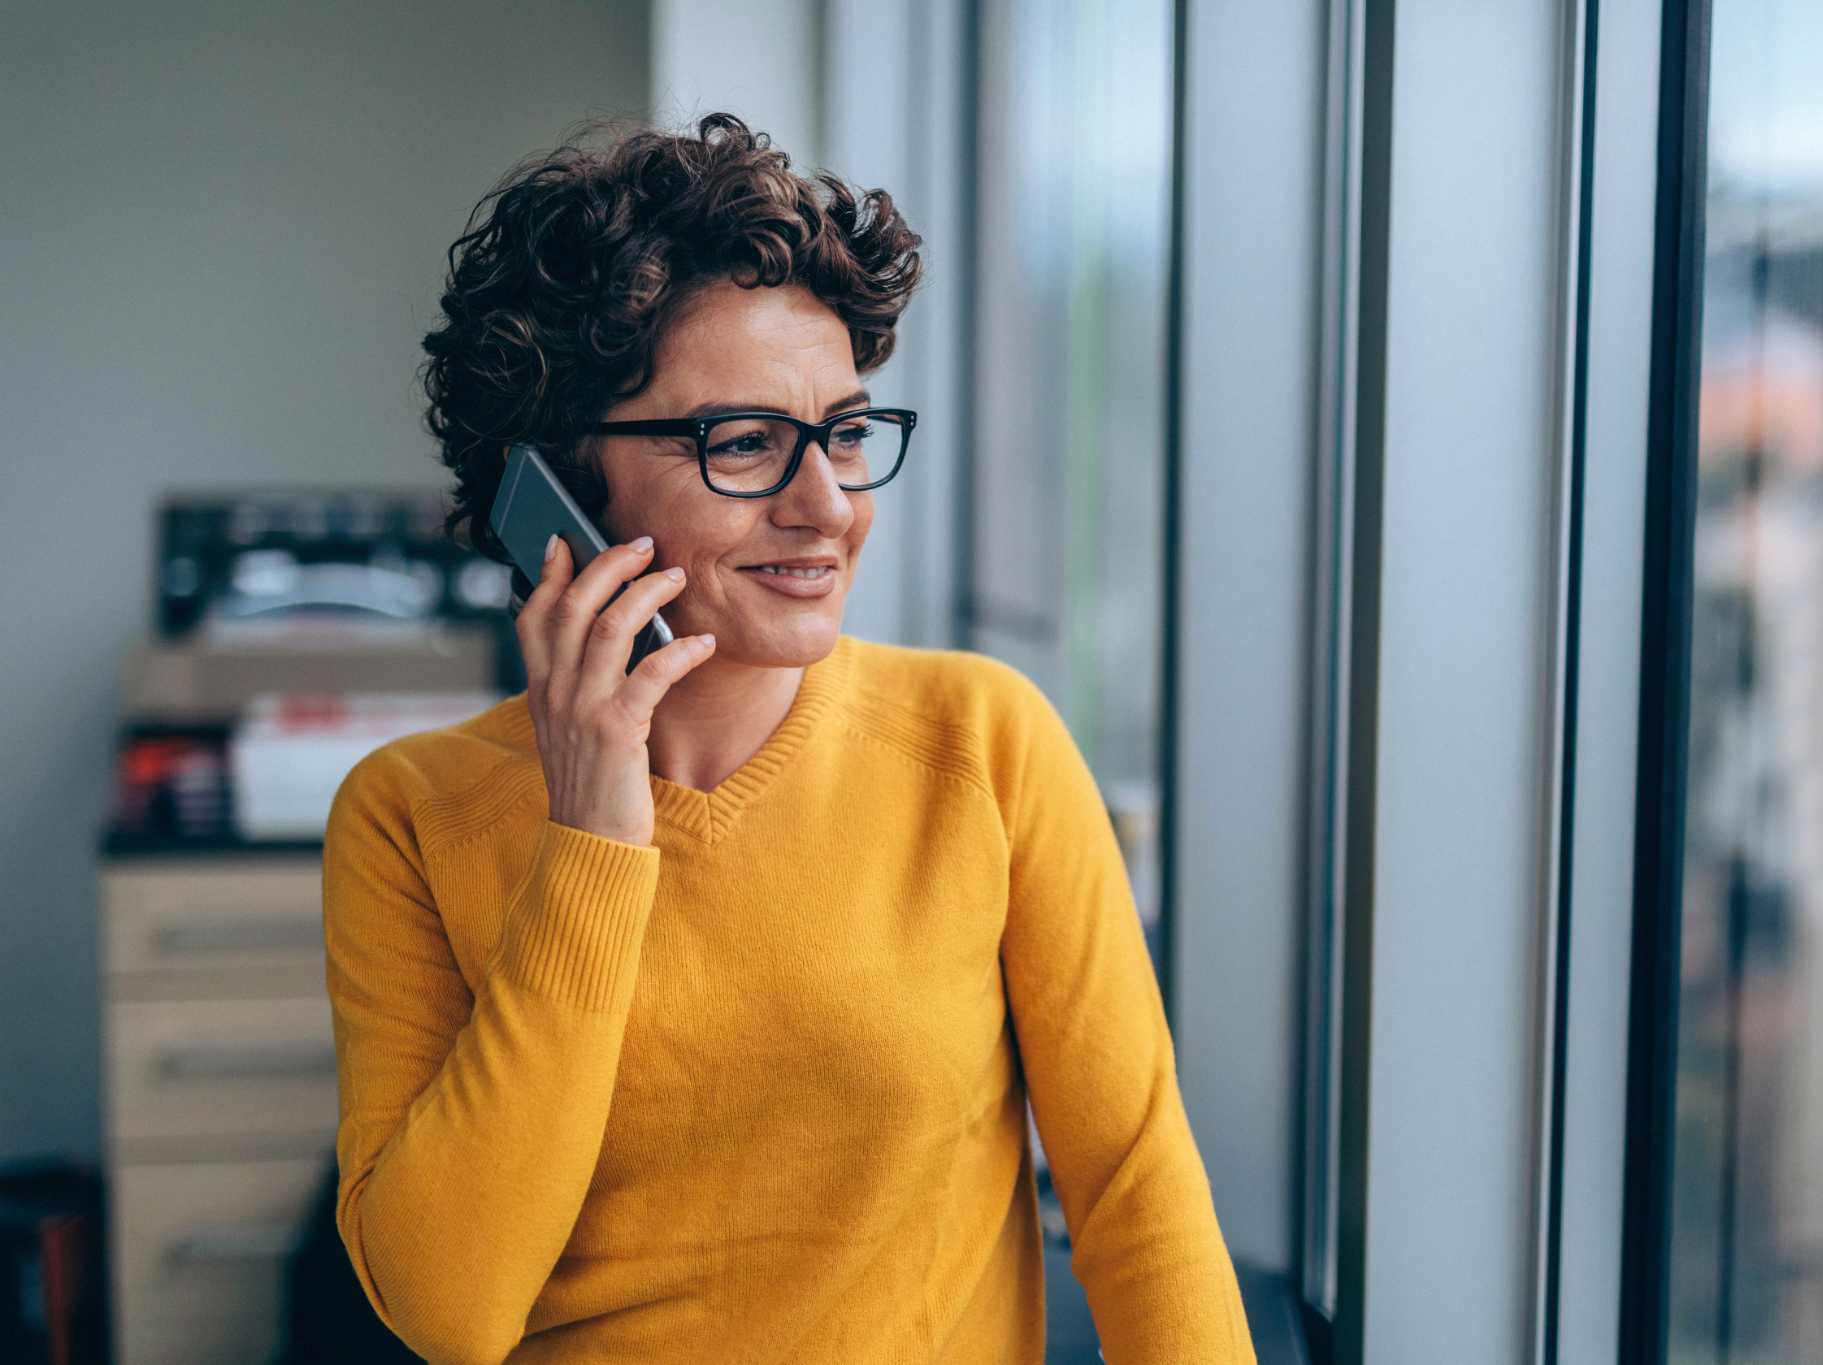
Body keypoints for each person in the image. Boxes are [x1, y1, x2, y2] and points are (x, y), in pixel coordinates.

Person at [320, 110, 1256, 1363]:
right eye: (746, 443)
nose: (827, 507)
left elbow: (1139, 1198)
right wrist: (592, 835)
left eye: (849, 432)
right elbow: (451, 1310)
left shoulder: (982, 743)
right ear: (553, 481)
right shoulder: (408, 815)